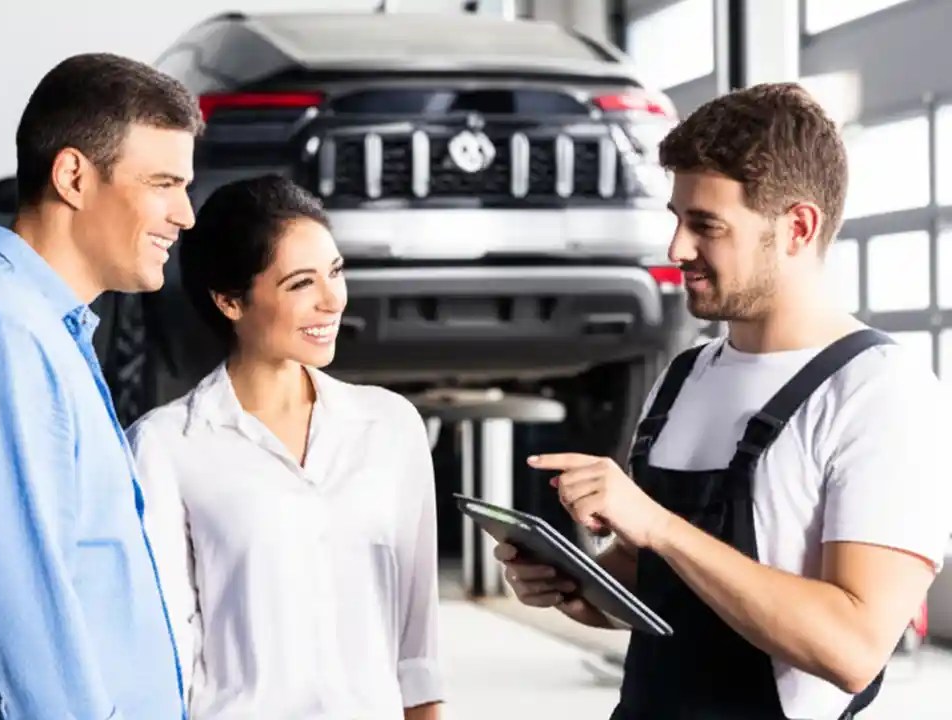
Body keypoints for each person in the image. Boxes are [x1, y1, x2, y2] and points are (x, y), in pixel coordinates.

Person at [494, 82, 952, 719]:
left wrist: (658, 524)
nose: (677, 248)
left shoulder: (879, 392)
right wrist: (579, 587)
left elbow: (854, 647)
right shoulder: (683, 376)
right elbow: (657, 583)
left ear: (797, 227)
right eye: (677, 219)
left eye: (706, 225)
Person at [0, 53, 201, 719]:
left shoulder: (46, 333)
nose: (185, 214)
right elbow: (14, 621)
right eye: (165, 183)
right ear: (74, 176)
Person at [127, 175, 445, 720]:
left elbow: (419, 647)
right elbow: (167, 652)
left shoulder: (391, 427)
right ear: (230, 300)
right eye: (301, 283)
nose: (331, 300)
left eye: (336, 272)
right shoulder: (165, 446)